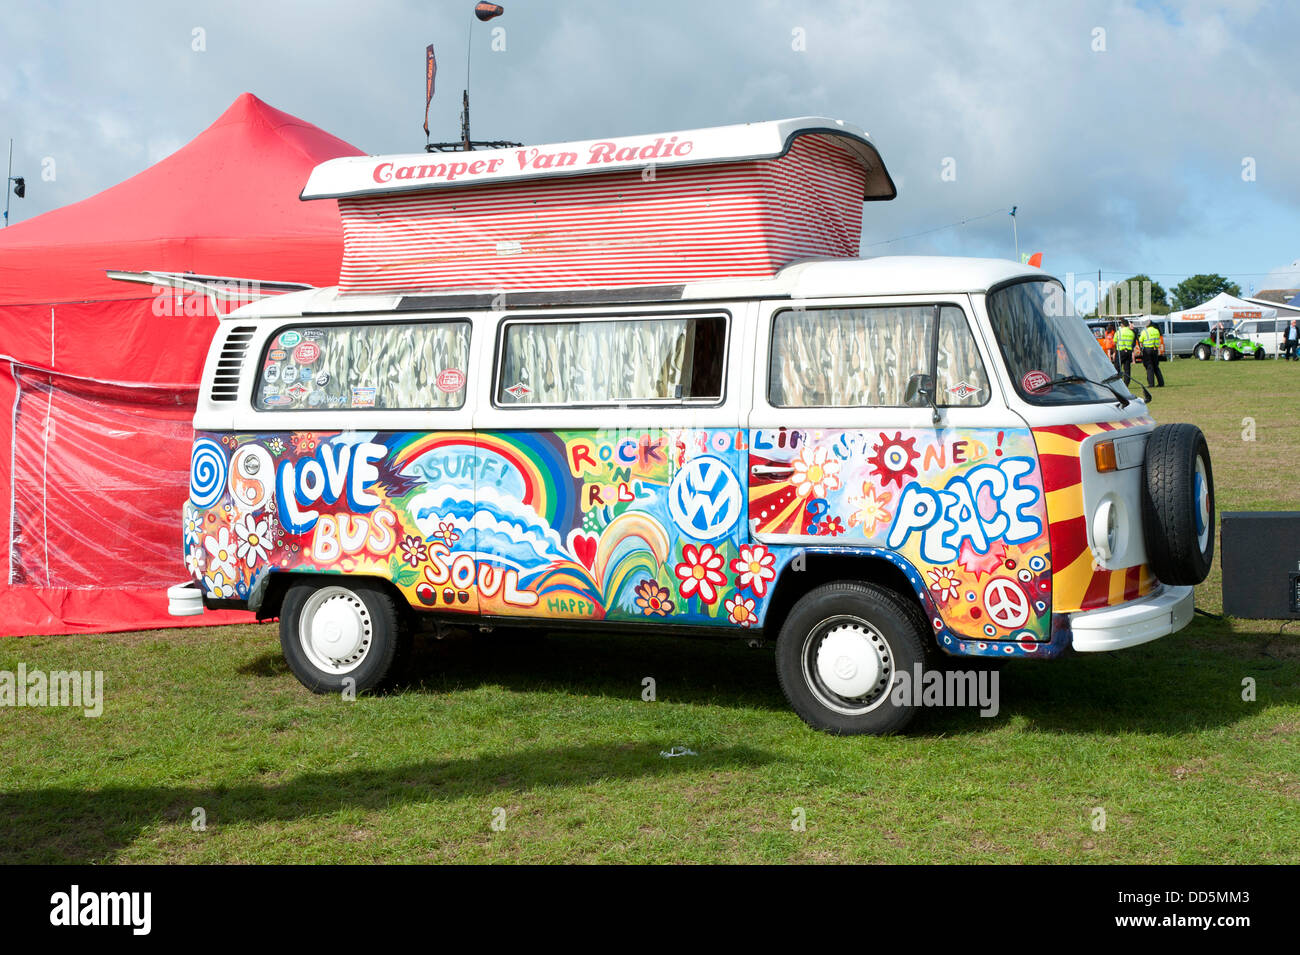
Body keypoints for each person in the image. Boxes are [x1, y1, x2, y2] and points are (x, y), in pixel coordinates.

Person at [1139, 320, 1165, 387]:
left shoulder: (1145, 331)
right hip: (1155, 349)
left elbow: (1141, 340)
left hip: (1147, 350)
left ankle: (1151, 384)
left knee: (1149, 367)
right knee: (1156, 366)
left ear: (1147, 325)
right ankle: (1161, 383)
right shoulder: (1156, 331)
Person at [1114, 318, 1136, 385]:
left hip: (1120, 350)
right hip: (1129, 351)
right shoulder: (1131, 333)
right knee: (1127, 368)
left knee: (1117, 367)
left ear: (1122, 325)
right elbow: (1132, 341)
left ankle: (1117, 383)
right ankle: (1126, 383)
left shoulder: (1119, 332)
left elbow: (1114, 340)